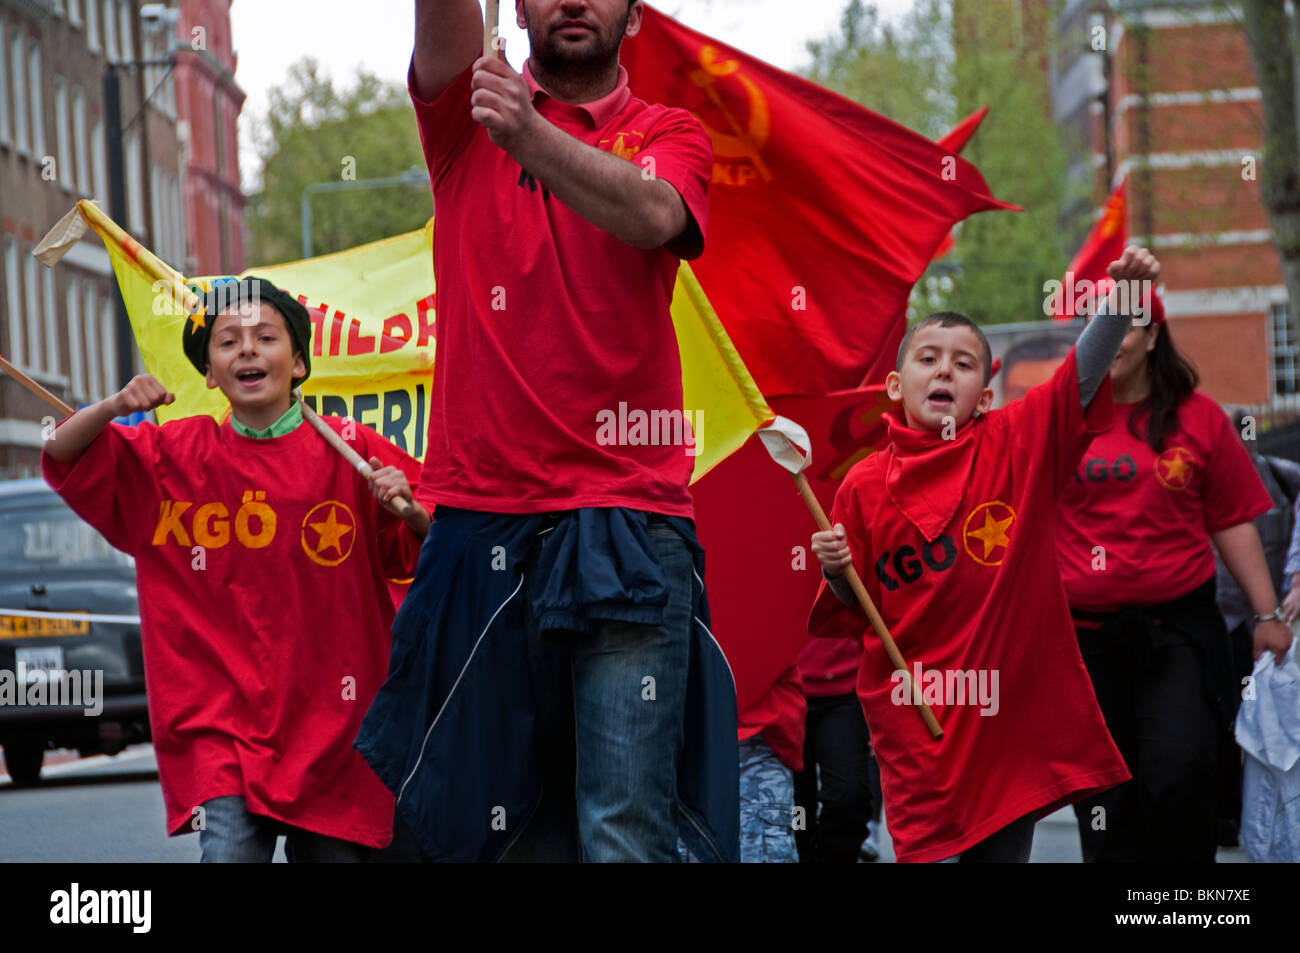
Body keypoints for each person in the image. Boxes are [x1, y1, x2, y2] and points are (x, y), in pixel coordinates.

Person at [354, 0, 737, 862]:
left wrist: (526, 135)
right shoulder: (466, 108)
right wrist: (508, 121)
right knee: (479, 830)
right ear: (518, 7)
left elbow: (652, 216)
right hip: (481, 517)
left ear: (633, 14)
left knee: (621, 829)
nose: (573, 1)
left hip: (629, 522)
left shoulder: (672, 132)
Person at [41, 278, 429, 862]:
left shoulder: (355, 451)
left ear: (298, 363)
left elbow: (433, 548)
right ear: (209, 374)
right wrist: (117, 407)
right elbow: (63, 454)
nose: (247, 349)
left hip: (333, 725)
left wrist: (411, 508)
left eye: (265, 337)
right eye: (228, 341)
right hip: (218, 724)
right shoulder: (171, 457)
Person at [807, 248, 1160, 863]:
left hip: (1005, 726)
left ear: (987, 394)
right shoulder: (860, 484)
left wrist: (1120, 302)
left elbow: (1080, 375)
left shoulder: (1018, 444)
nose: (945, 371)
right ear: (896, 384)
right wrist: (838, 571)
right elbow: (856, 607)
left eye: (964, 363)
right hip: (917, 726)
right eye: (928, 359)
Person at [1056, 295, 1294, 862]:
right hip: (1082, 641)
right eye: (1096, 324)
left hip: (1179, 634)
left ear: (1153, 336)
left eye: (1125, 324)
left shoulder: (1200, 416)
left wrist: (1267, 617)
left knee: (1181, 770)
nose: (1110, 336)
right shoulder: (1059, 417)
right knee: (1105, 795)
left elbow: (1232, 519)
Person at [1212, 406, 1300, 846]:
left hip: (1272, 622)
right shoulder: (1204, 483)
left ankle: (1269, 816)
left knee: (1271, 721)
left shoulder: (1284, 477)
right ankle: (1228, 812)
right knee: (1224, 718)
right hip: (1220, 620)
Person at [793, 635, 881, 863]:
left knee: (848, 800)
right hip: (785, 689)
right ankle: (804, 852)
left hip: (846, 691)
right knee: (797, 811)